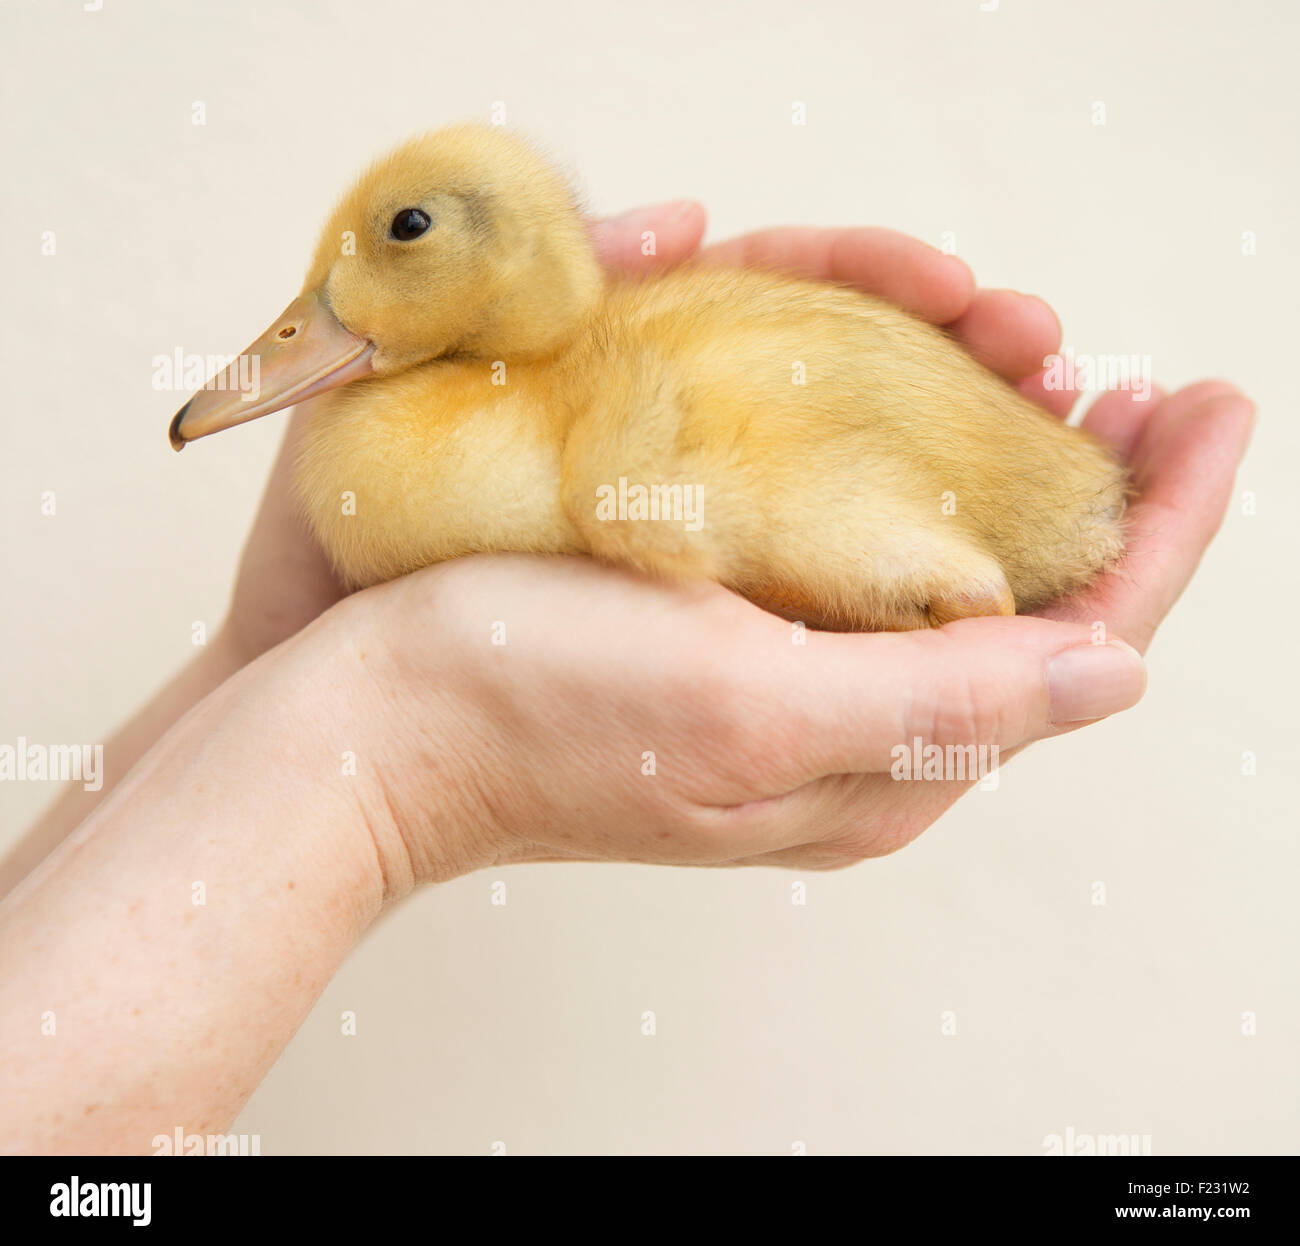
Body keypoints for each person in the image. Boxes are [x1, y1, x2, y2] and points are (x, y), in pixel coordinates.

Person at [0, 204, 1254, 1153]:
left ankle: (930, 569)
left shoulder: (590, 429)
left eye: (399, 235)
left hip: (902, 504)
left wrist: (277, 684)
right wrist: (369, 739)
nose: (304, 323)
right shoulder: (514, 414)